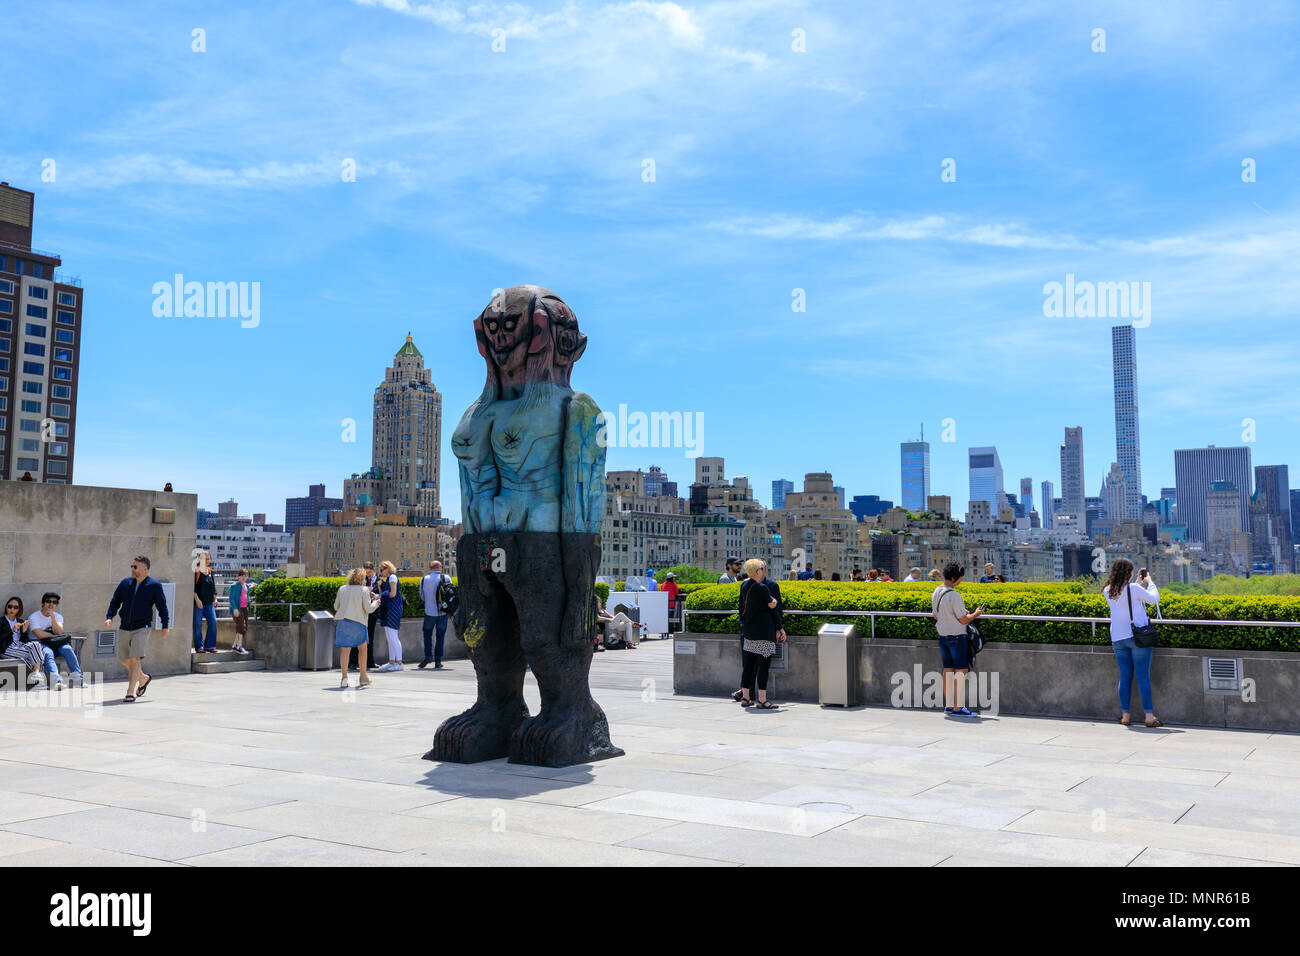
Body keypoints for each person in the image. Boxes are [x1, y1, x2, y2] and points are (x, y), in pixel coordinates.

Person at [1103, 559, 1162, 727]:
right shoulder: (1134, 589)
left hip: (1118, 639)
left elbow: (1126, 599)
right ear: (1128, 573)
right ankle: (1149, 717)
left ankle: (1125, 716)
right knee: (1143, 677)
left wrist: (1136, 583)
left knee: (1125, 677)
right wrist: (1149, 582)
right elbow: (1153, 599)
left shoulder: (1107, 590)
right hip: (1137, 638)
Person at [104, 555, 170, 702]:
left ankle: (130, 692)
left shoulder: (154, 585)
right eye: (132, 567)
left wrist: (165, 625)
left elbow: (162, 607)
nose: (132, 569)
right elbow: (115, 601)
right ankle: (143, 678)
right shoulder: (125, 583)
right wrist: (109, 616)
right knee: (123, 658)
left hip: (142, 626)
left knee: (135, 659)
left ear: (145, 569)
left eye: (135, 567)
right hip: (125, 626)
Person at [931, 562, 984, 718]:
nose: (961, 581)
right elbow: (963, 620)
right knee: (961, 670)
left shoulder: (937, 591)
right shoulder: (954, 595)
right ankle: (958, 707)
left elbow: (936, 615)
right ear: (954, 577)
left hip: (943, 637)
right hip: (957, 637)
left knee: (948, 670)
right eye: (960, 578)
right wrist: (975, 613)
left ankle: (948, 705)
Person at [737, 559, 784, 709]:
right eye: (763, 568)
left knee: (748, 666)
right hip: (764, 632)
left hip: (749, 632)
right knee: (763, 666)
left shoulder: (745, 585)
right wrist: (780, 628)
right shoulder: (762, 588)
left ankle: (745, 698)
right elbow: (773, 609)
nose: (765, 570)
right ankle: (762, 699)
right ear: (757, 571)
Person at [2, 596, 63, 689]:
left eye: (15, 607)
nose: (12, 609)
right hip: (6, 649)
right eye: (10, 606)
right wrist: (12, 630)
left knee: (36, 645)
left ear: (19, 609)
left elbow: (24, 640)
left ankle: (37, 675)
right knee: (38, 653)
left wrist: (24, 631)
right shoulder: (1, 621)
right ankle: (39, 679)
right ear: (6, 607)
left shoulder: (20, 621)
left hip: (19, 647)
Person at [334, 568, 380, 688]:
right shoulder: (364, 590)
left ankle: (344, 678)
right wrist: (376, 603)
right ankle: (363, 677)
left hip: (343, 622)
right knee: (363, 650)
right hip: (359, 623)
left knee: (345, 651)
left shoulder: (342, 589)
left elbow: (335, 606)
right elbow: (368, 609)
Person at [29, 591, 82, 685]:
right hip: (39, 643)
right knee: (48, 653)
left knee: (68, 649)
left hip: (56, 643)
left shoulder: (58, 616)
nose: (51, 604)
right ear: (42, 603)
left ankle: (77, 677)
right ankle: (57, 680)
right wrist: (54, 636)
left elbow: (58, 631)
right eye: (48, 601)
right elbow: (40, 635)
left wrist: (52, 617)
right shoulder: (34, 617)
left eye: (54, 602)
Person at [418, 560, 450, 669]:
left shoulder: (424, 579)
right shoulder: (446, 578)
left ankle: (428, 656)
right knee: (440, 637)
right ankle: (438, 661)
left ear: (431, 568)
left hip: (429, 613)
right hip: (442, 612)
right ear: (439, 567)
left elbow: (422, 596)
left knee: (427, 635)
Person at [373, 561, 405, 671]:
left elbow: (392, 594)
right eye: (380, 570)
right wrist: (379, 589)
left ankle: (399, 663)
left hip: (393, 609)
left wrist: (379, 594)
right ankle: (392, 662)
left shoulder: (392, 577)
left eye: (382, 570)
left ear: (388, 569)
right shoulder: (388, 579)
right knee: (390, 637)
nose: (381, 572)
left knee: (393, 636)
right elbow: (385, 595)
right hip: (388, 609)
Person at [349, 561, 379, 673]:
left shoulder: (380, 580)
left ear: (373, 570)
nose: (368, 575)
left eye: (370, 572)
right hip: (360, 612)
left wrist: (375, 595)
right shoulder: (361, 581)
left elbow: (384, 594)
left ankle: (370, 662)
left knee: (370, 637)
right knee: (356, 637)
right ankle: (353, 662)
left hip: (372, 612)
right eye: (366, 573)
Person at [192, 552, 218, 653]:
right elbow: (192, 588)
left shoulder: (210, 571)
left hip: (209, 603)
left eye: (208, 559)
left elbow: (213, 588)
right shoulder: (196, 571)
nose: (207, 561)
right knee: (198, 625)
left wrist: (215, 599)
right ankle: (199, 647)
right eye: (204, 559)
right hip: (198, 603)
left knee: (213, 623)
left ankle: (210, 646)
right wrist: (197, 599)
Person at [227, 570, 252, 655]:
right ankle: (240, 647)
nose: (244, 577)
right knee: (241, 626)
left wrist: (253, 585)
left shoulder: (245, 585)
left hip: (245, 609)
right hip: (238, 609)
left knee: (242, 627)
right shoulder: (234, 586)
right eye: (242, 576)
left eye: (245, 576)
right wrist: (234, 609)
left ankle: (235, 645)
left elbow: (248, 587)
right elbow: (231, 598)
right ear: (238, 576)